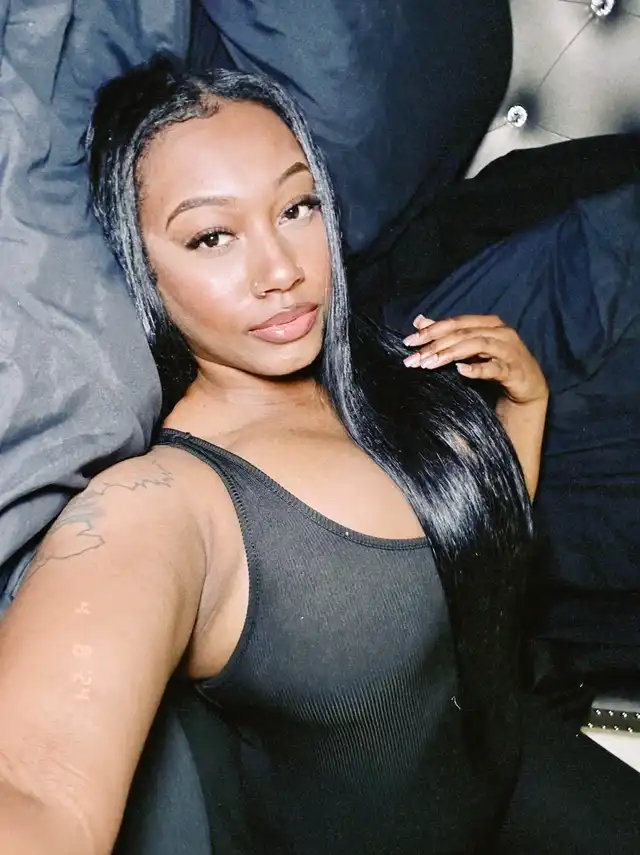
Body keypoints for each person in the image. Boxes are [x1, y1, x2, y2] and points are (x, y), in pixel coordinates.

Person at [0, 56, 548, 854]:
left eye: (297, 207)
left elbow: (471, 570)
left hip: (516, 768)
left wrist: (526, 410)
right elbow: (36, 786)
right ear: (140, 268)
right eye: (212, 236)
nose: (284, 271)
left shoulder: (389, 379)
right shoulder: (169, 500)